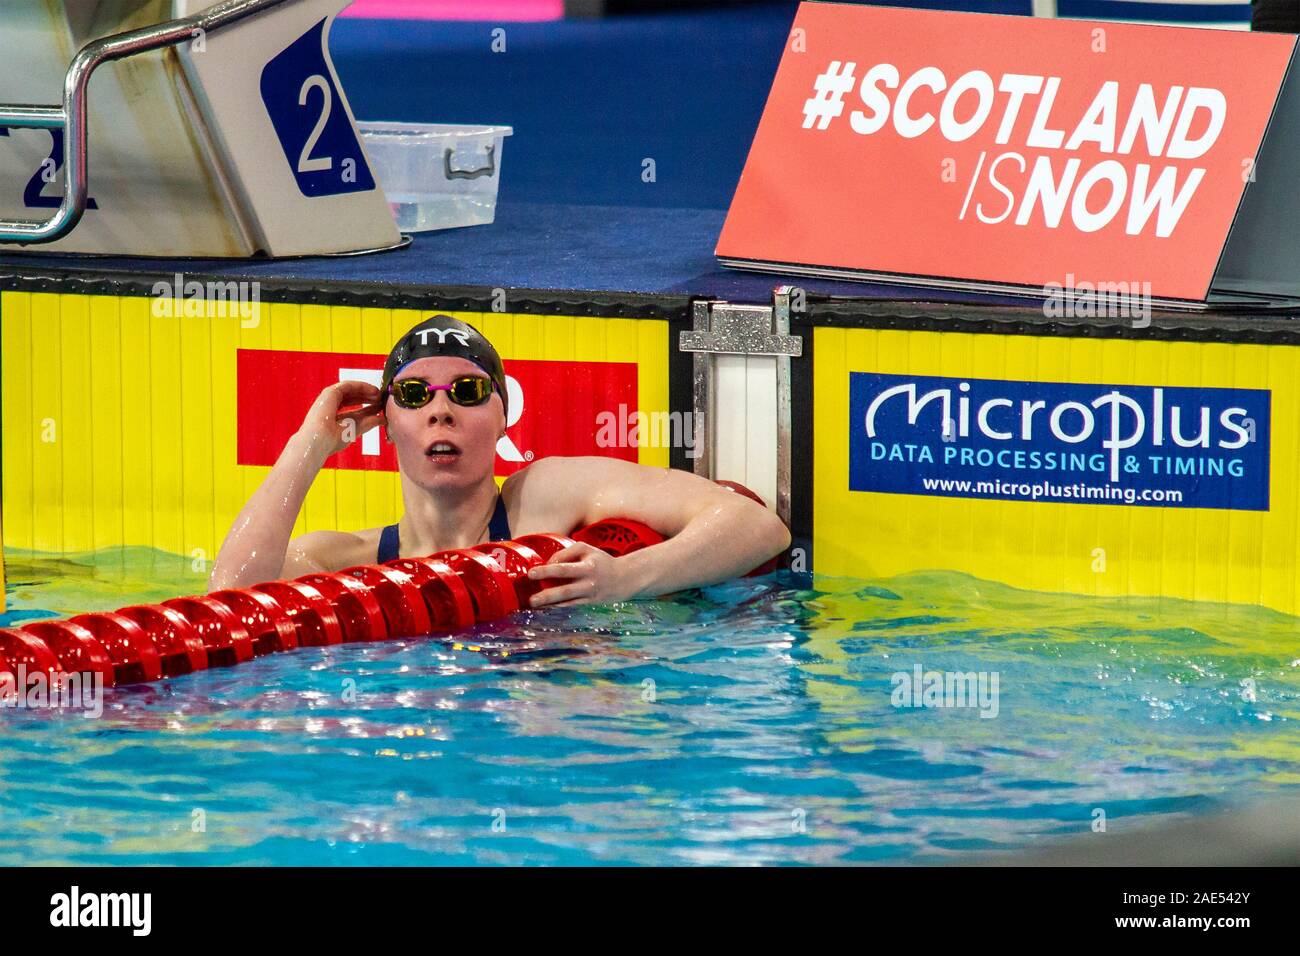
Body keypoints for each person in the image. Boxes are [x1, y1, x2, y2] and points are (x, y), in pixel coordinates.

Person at [209, 315, 790, 606]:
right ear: (385, 426)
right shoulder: (343, 558)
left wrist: (623, 579)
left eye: (466, 392)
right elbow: (231, 592)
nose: (441, 410)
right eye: (413, 396)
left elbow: (755, 526)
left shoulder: (549, 497)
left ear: (503, 417)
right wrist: (309, 446)